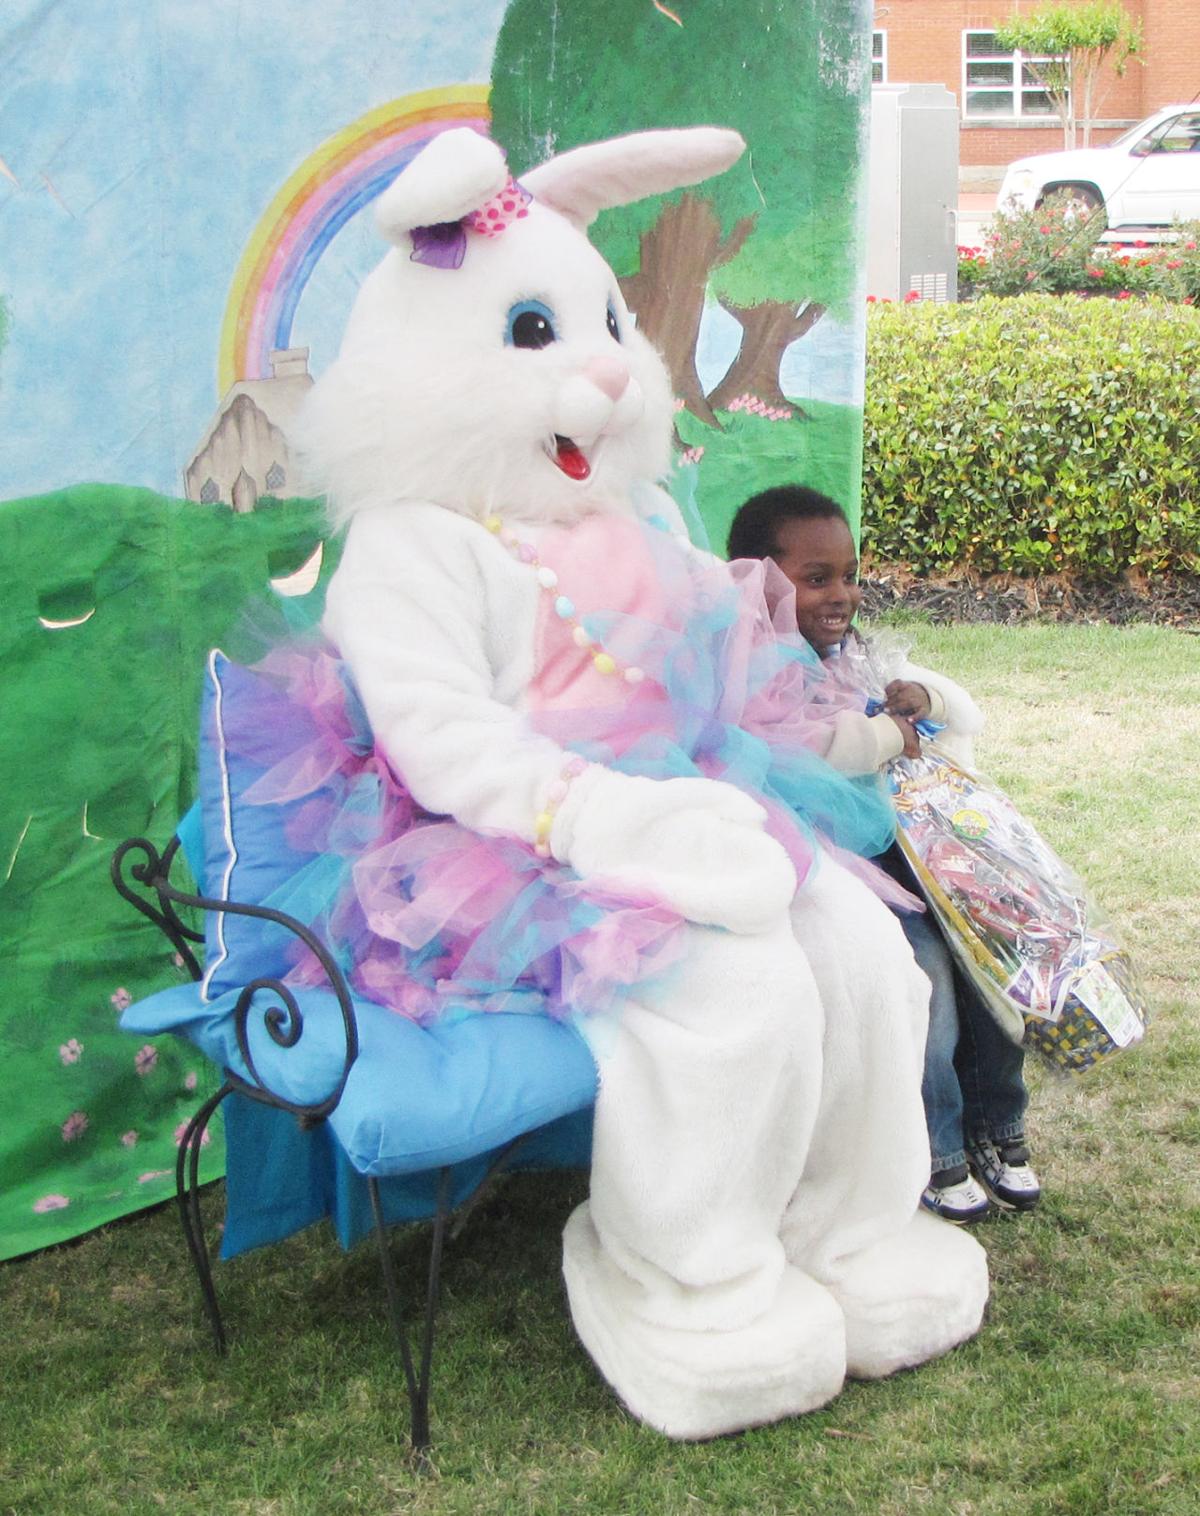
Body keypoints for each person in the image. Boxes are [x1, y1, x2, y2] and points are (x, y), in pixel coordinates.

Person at [728, 483, 1040, 1223]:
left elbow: (931, 715)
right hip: (828, 860)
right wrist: (875, 739)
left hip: (906, 841)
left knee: (984, 951)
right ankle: (936, 1148)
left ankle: (998, 1121)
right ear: (760, 580)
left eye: (848, 574)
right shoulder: (747, 662)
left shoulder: (848, 652)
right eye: (816, 579)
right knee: (923, 970)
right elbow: (773, 747)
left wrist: (920, 700)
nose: (841, 594)